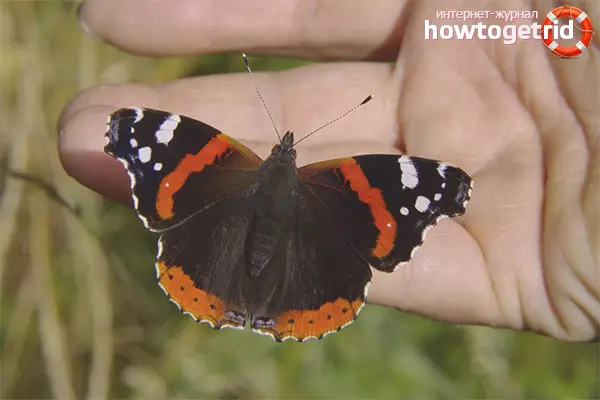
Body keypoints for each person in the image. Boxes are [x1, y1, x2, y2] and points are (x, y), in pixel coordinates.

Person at [58, 0, 599, 342]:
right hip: (313, 257)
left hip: (219, 236)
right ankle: (268, 306)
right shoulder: (355, 179)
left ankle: (240, 301)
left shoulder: (212, 155)